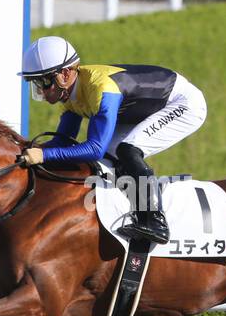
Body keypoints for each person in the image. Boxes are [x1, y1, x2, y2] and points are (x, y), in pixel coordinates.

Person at [17, 36, 206, 244]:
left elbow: (95, 148)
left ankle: (154, 221)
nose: (42, 92)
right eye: (35, 83)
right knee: (108, 159)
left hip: (183, 104)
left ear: (65, 74)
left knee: (127, 150)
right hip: (141, 110)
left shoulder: (100, 88)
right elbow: (63, 143)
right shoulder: (70, 95)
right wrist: (26, 151)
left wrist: (43, 154)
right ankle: (128, 208)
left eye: (44, 82)